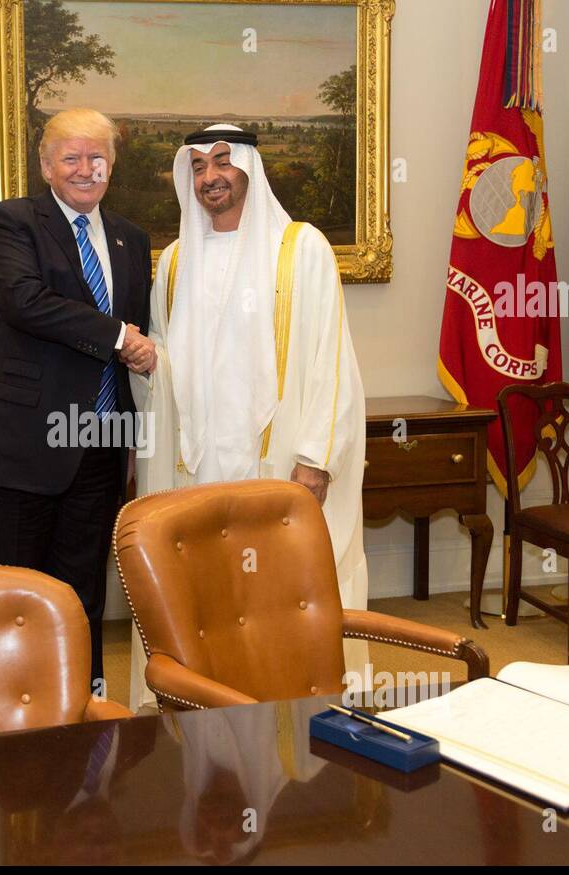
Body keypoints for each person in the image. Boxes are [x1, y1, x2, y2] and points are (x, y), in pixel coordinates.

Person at [131, 124, 368, 707]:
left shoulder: (301, 248)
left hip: (278, 464)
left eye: (222, 162)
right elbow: (172, 357)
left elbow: (330, 358)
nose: (211, 177)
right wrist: (146, 359)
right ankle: (206, 712)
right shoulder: (178, 261)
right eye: (199, 168)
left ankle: (295, 720)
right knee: (208, 604)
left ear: (248, 169)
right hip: (200, 468)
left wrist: (316, 458)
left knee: (280, 602)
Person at [0, 108, 155, 689]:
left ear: (112, 167)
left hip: (98, 443)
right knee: (13, 594)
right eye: (72, 157)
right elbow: (25, 300)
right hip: (21, 445)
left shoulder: (131, 238)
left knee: (83, 590)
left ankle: (84, 702)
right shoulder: (10, 223)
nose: (86, 169)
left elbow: (144, 326)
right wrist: (120, 337)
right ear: (46, 166)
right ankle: (11, 709)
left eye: (98, 158)